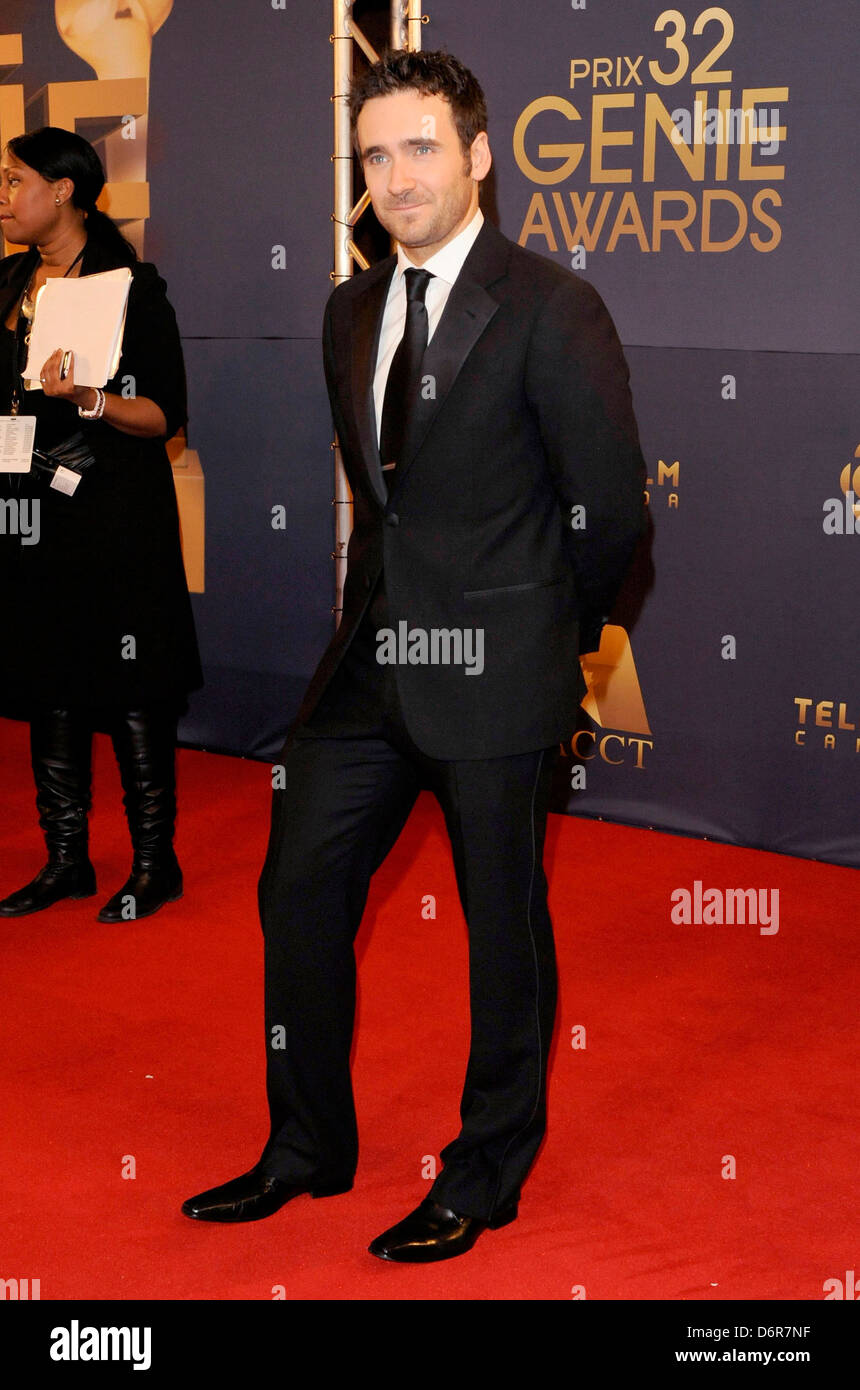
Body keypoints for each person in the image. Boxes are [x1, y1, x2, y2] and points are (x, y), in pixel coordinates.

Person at [182, 51, 646, 1261]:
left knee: (502, 928)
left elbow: (609, 513)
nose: (395, 177)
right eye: (375, 155)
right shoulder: (347, 308)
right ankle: (305, 1147)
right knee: (295, 892)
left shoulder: (552, 305)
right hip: (366, 670)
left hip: (495, 675)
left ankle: (484, 1172)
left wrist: (537, 646)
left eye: (421, 147)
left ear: (479, 154)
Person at [0, 126, 201, 924]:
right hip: (29, 513)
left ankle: (156, 865)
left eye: (16, 180)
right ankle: (66, 860)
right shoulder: (7, 282)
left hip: (116, 518)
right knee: (48, 681)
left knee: (130, 686)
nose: (4, 195)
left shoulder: (130, 288)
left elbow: (164, 416)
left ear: (64, 191)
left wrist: (89, 399)